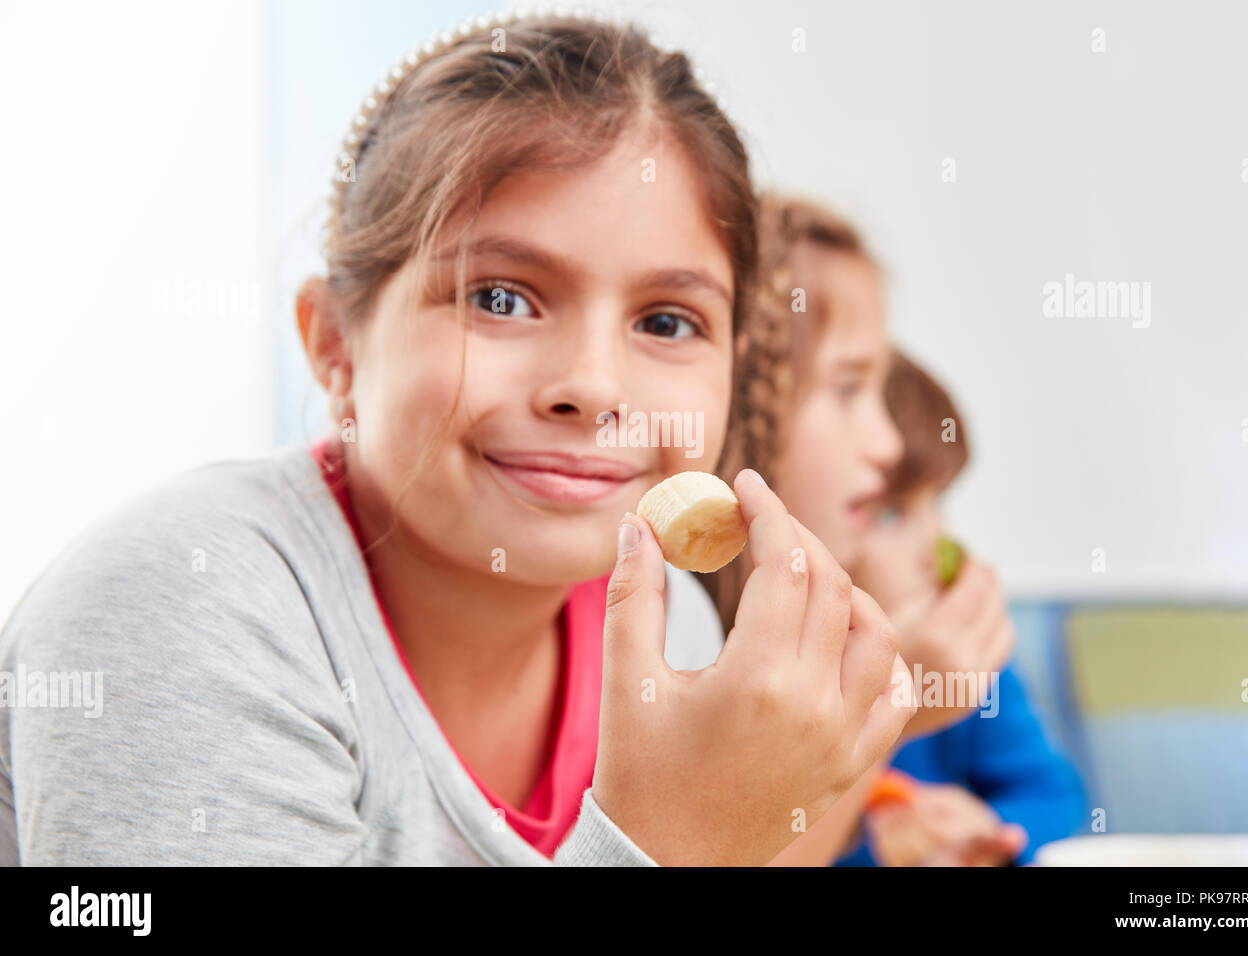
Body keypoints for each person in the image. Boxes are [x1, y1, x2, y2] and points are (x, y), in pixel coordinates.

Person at [0, 13, 912, 866]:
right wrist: (672, 842)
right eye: (499, 298)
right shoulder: (180, 605)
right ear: (334, 343)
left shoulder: (668, 626)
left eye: (668, 322)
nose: (593, 387)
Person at [703, 194, 1017, 865]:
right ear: (743, 407)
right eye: (847, 389)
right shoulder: (680, 639)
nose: (883, 443)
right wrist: (892, 704)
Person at [835, 350, 1087, 866]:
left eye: (938, 505)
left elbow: (1056, 794)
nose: (938, 544)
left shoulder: (966, 659)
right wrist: (867, 841)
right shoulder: (777, 682)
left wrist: (988, 834)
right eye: (889, 515)